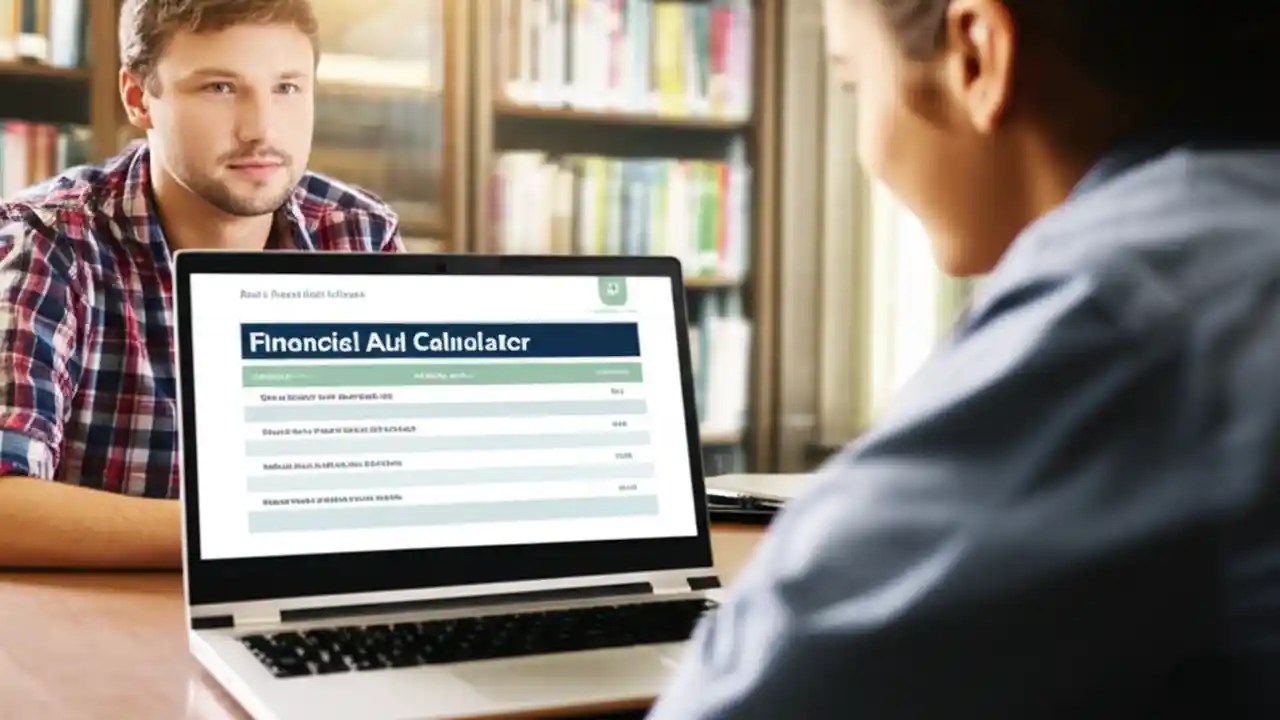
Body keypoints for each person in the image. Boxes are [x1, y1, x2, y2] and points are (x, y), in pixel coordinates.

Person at [650, 0, 1279, 718]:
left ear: (979, 55)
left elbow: (745, 699)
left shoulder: (1126, 310)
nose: (865, 142)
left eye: (855, 82)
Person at [0, 0, 403, 570]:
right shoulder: (51, 239)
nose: (261, 129)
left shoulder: (357, 233)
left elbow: (402, 481)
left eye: (287, 87)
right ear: (139, 98)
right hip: (107, 635)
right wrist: (246, 535)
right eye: (219, 88)